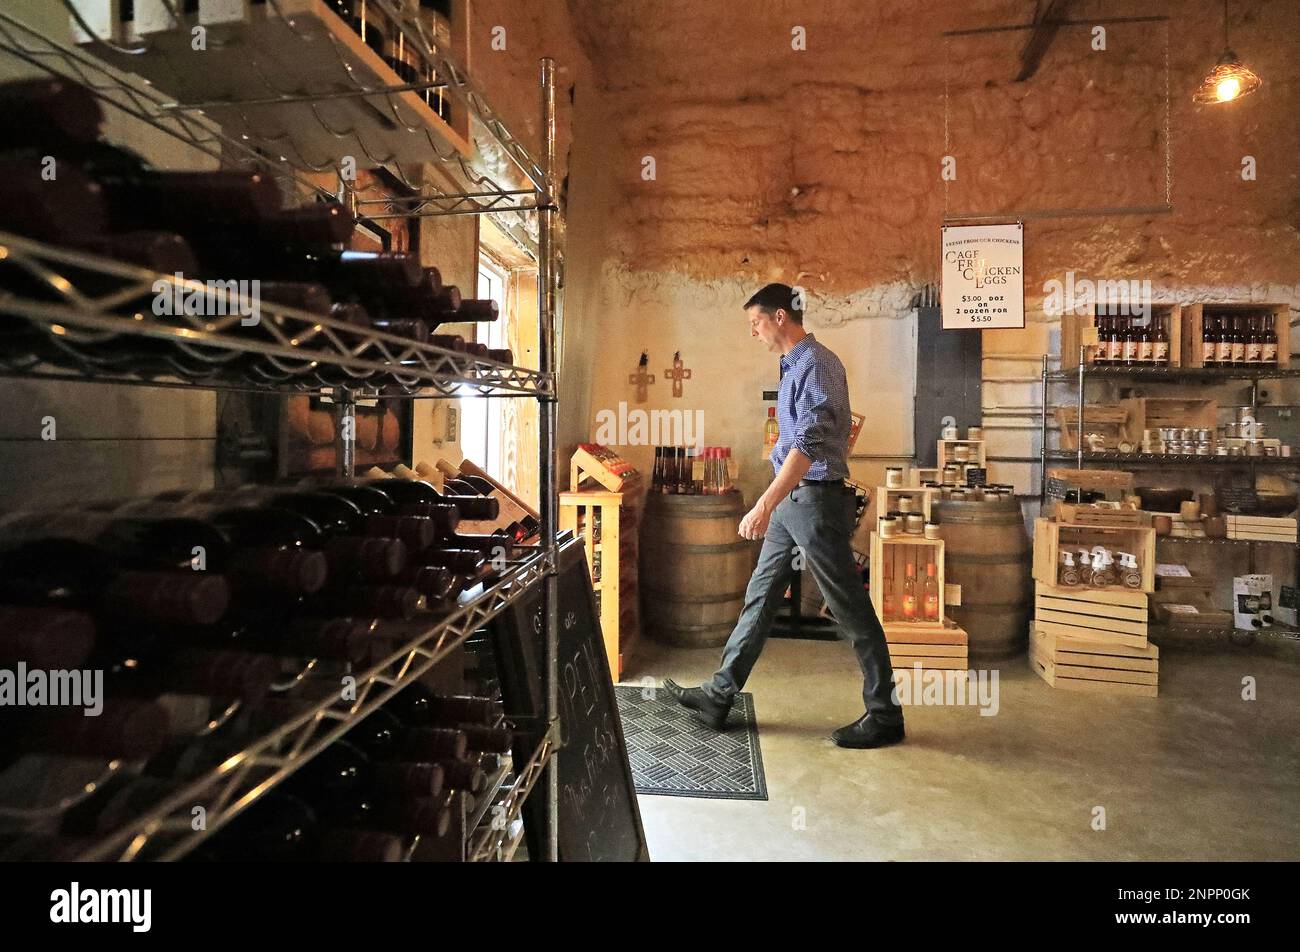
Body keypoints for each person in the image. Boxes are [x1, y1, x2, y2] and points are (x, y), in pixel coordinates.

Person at [664, 283, 905, 749]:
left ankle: (885, 713)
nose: (752, 332)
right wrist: (775, 501)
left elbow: (809, 445)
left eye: (755, 323)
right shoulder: (794, 364)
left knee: (850, 608)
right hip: (795, 500)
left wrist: (764, 503)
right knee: (761, 597)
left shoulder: (816, 364)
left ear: (779, 317)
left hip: (813, 501)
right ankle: (719, 695)